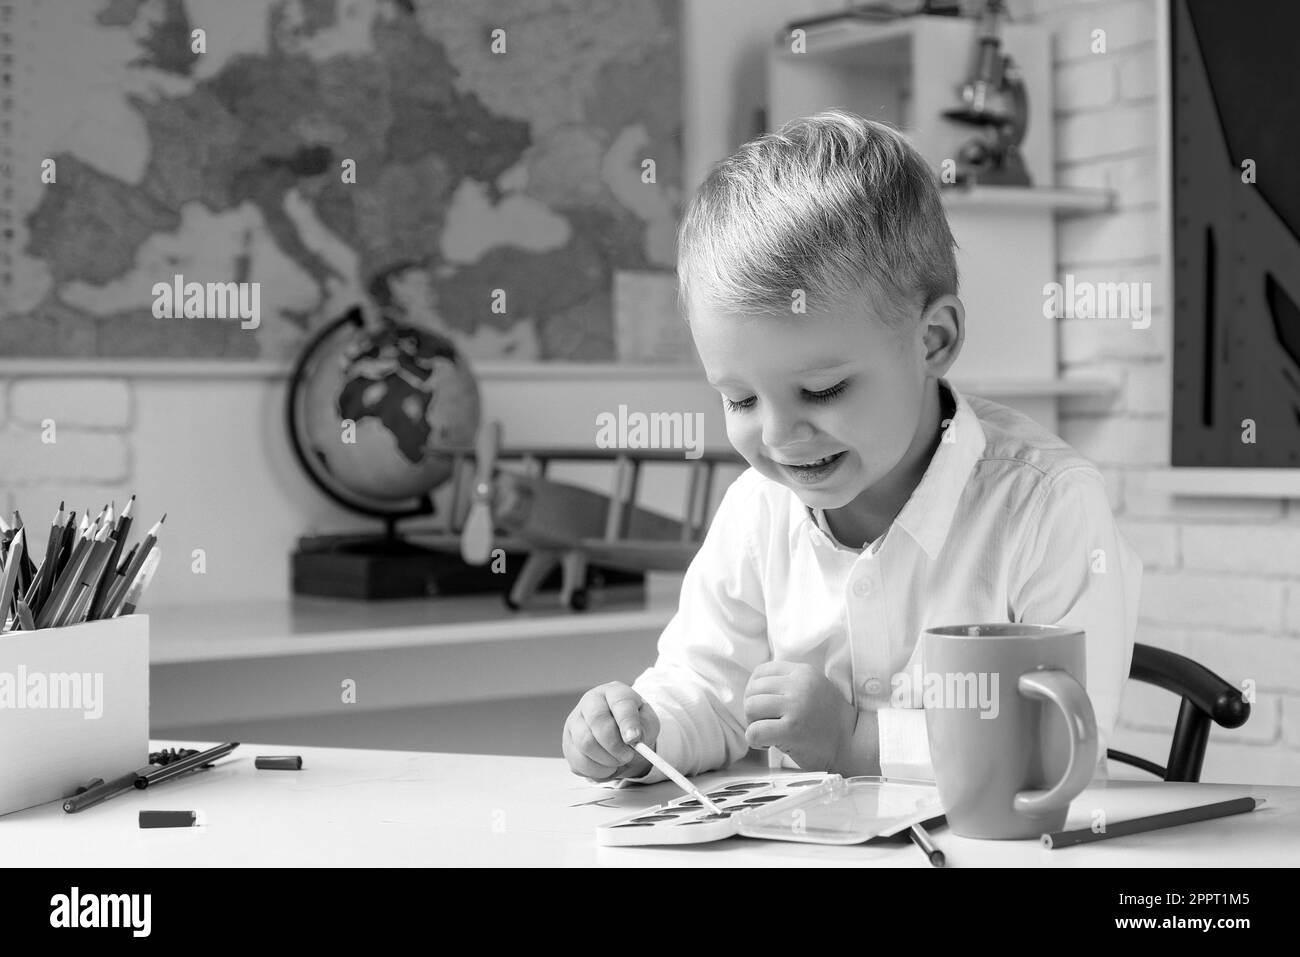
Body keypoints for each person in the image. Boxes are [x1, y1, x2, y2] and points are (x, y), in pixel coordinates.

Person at [562, 110, 1141, 784]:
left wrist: (859, 739)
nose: (777, 437)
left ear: (933, 341)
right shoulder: (757, 509)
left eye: (823, 389)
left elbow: (1065, 742)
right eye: (740, 400)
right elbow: (706, 690)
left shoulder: (1048, 506)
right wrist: (643, 730)